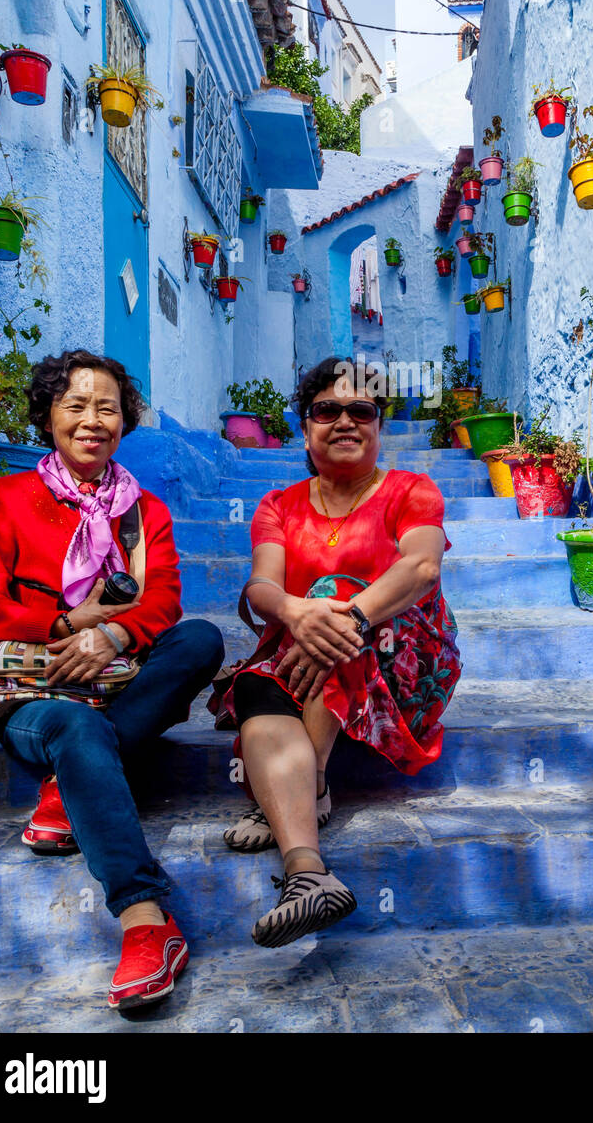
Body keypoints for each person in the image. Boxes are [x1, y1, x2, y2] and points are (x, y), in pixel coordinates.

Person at [0, 350, 224, 1010]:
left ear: (123, 420)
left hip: (114, 671)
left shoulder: (146, 512)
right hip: (36, 694)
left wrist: (112, 634)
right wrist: (64, 624)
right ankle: (146, 921)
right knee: (74, 727)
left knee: (199, 638)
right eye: (75, 404)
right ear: (49, 416)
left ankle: (63, 787)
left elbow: (161, 600)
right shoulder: (7, 498)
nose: (92, 420)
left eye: (107, 406)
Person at [210, 357, 461, 948]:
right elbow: (262, 586)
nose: (345, 420)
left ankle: (300, 785)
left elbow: (422, 567)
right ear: (305, 426)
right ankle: (308, 874)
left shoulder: (410, 490)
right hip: (311, 652)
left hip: (407, 659)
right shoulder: (279, 504)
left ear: (379, 427)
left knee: (338, 605)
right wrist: (296, 612)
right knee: (254, 685)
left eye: (362, 410)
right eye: (328, 409)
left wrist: (340, 614)